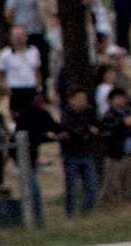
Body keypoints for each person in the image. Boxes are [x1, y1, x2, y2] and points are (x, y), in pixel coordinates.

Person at [10, 90, 56, 230]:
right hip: (22, 159)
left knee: (33, 190)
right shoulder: (27, 115)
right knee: (33, 190)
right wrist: (51, 138)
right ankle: (36, 221)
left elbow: (54, 127)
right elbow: (33, 136)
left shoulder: (42, 113)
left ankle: (37, 221)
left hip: (32, 158)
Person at [58, 89, 104, 220]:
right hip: (71, 155)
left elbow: (98, 127)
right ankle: (70, 216)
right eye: (79, 99)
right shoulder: (66, 114)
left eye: (84, 99)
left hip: (86, 153)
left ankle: (87, 214)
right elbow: (71, 132)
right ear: (71, 100)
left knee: (92, 187)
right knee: (71, 189)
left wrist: (87, 132)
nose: (83, 102)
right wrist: (87, 131)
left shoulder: (89, 112)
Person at [0, 24, 43, 117]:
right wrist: (5, 88)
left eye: (21, 36)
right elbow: (0, 75)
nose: (19, 39)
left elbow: (37, 71)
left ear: (26, 37)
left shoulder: (34, 51)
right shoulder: (5, 54)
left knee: (34, 115)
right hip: (15, 90)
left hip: (31, 89)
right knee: (17, 116)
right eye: (16, 36)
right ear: (11, 38)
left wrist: (39, 88)